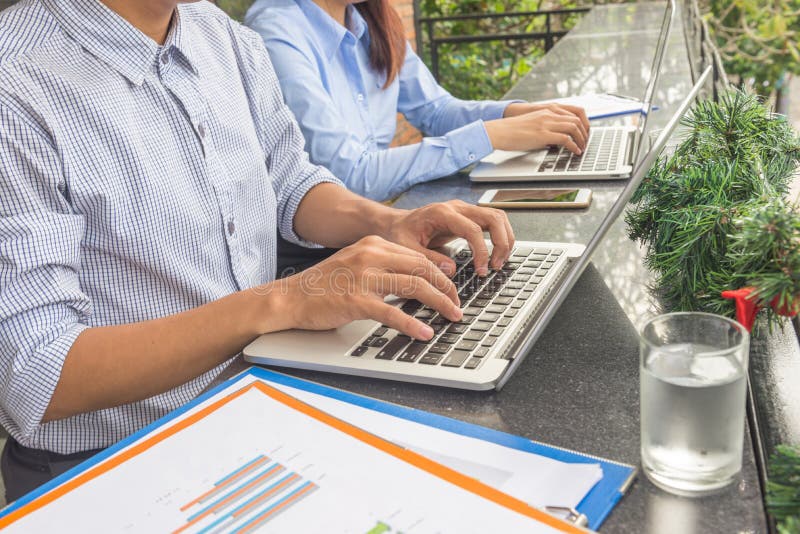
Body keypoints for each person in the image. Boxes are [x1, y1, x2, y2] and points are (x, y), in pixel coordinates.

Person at [0, 0, 515, 502]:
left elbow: (288, 180)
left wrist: (387, 221)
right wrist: (280, 303)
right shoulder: (16, 81)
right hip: (113, 466)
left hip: (260, 399)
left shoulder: (223, 37)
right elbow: (36, 373)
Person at [245, 0, 591, 202]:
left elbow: (434, 110)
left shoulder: (367, 17)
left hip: (389, 217)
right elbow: (346, 177)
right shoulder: (276, 30)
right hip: (325, 250)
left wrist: (513, 113)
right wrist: (492, 135)